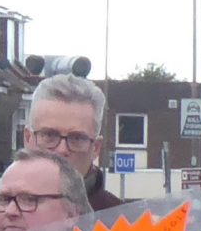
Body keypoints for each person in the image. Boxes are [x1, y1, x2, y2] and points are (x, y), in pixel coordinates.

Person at [23, 71, 127, 210]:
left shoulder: (124, 225)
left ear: (96, 148)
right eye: (49, 135)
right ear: (28, 139)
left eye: (77, 138)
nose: (61, 150)